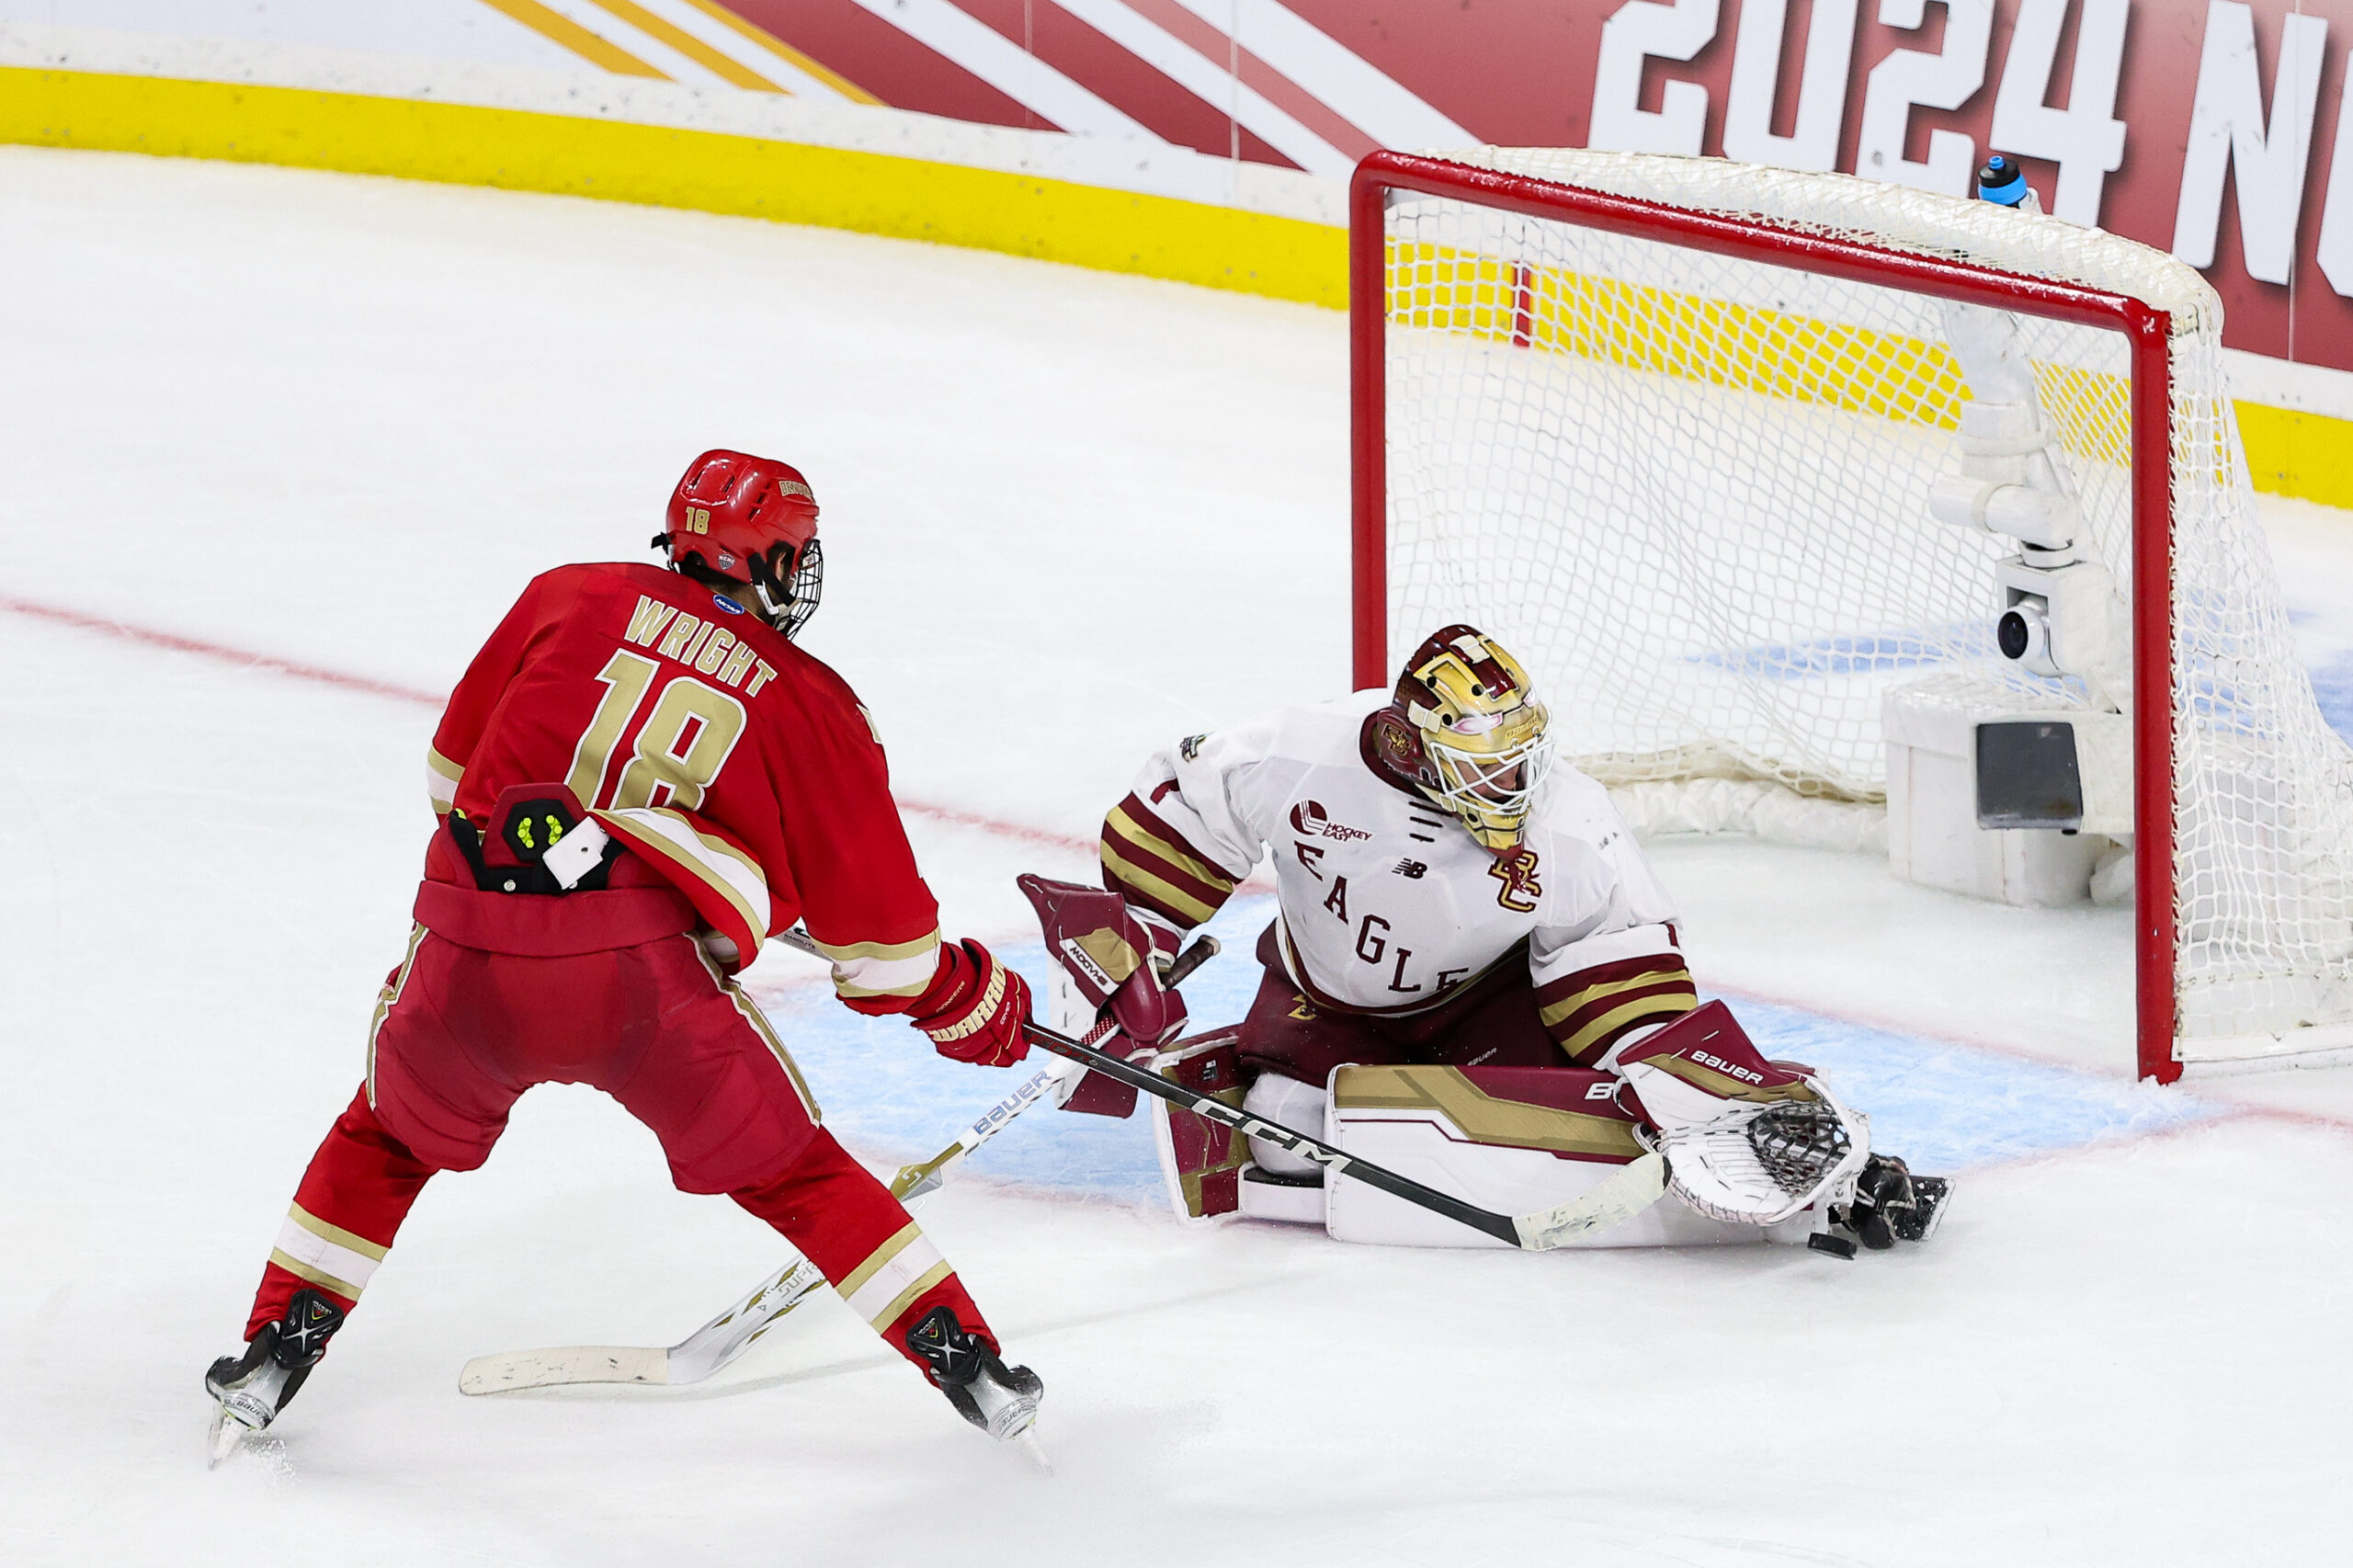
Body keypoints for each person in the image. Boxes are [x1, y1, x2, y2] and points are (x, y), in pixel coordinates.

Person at [205, 449, 1042, 1462]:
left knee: (384, 1137)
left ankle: (272, 1348)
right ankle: (967, 1362)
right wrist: (966, 996)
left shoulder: (564, 596)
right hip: (645, 986)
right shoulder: (812, 702)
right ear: (774, 559)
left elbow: (449, 777)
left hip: (468, 947)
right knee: (797, 1173)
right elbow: (888, 956)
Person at [1040, 624, 1947, 1250]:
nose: (1509, 778)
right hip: (1325, 1001)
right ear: (1410, 740)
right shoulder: (1302, 751)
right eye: (1483, 762)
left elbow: (1623, 983)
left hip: (1492, 1003)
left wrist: (1694, 1097)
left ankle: (1811, 1167)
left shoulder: (1569, 823)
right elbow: (1183, 814)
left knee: (1614, 1115)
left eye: (1518, 754)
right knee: (1282, 1141)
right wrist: (1135, 949)